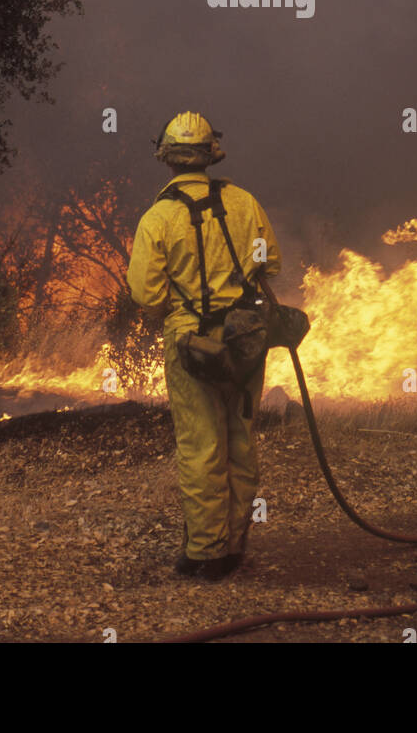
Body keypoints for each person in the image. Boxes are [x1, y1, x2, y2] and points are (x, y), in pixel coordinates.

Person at [127, 112, 281, 580]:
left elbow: (145, 294)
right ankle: (234, 546)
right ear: (212, 154)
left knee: (201, 444)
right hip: (245, 340)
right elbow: (268, 262)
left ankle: (205, 551)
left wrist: (183, 303)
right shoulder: (244, 203)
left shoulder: (159, 218)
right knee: (240, 439)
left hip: (191, 343)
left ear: (167, 158)